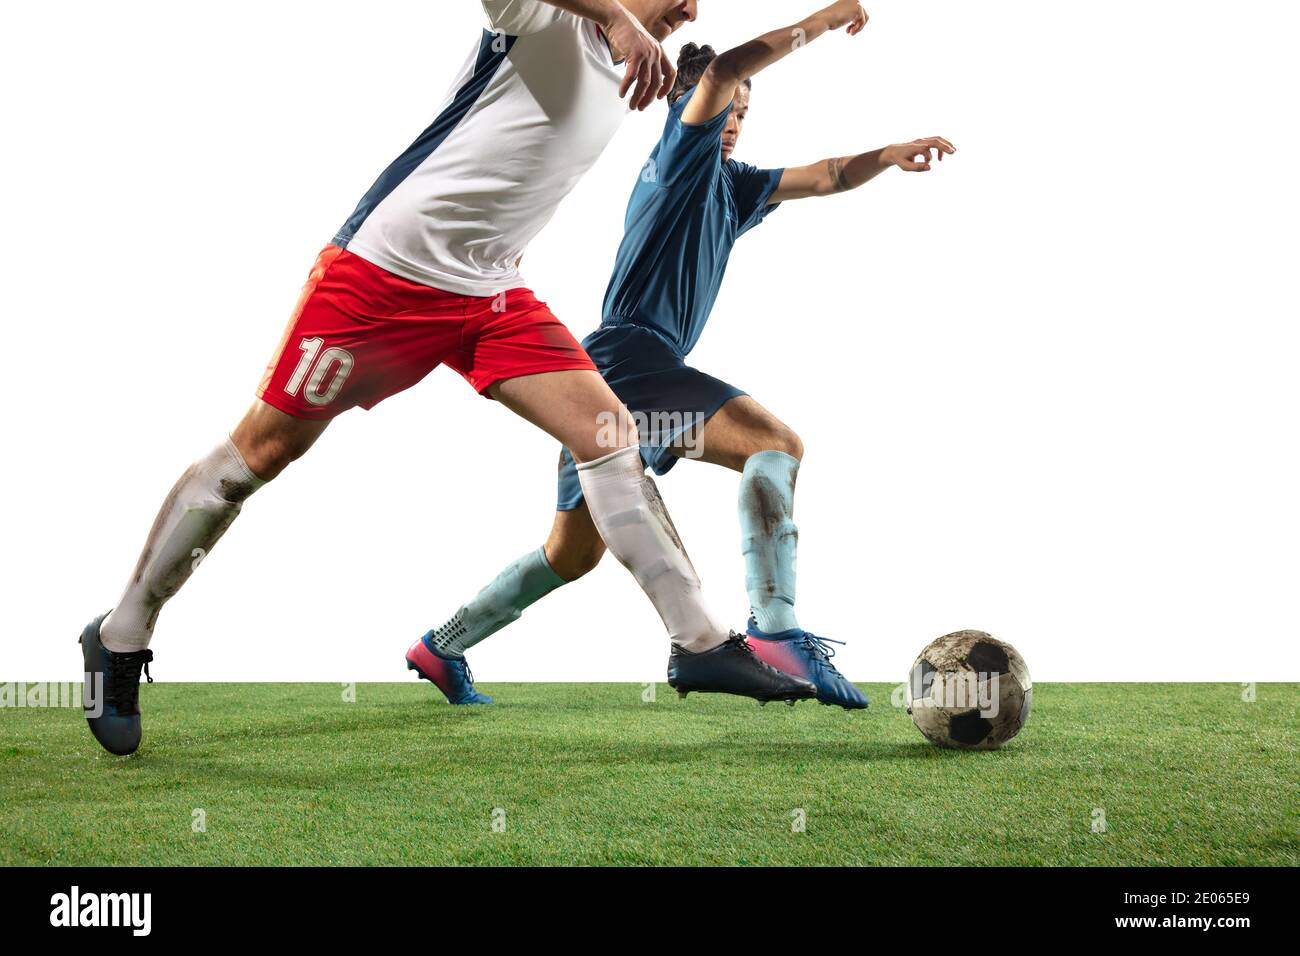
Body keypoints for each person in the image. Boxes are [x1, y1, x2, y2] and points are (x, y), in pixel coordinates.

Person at [82, 0, 819, 757]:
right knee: (260, 454)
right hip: (382, 279)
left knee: (608, 432)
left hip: (490, 295)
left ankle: (697, 641)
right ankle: (120, 632)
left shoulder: (632, 69)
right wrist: (618, 17)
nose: (691, 8)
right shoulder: (537, 22)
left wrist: (645, 33)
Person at [413, 0, 956, 709]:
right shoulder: (681, 154)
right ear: (687, 104)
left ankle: (441, 644)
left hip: (605, 377)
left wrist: (885, 156)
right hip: (630, 358)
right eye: (727, 107)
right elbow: (726, 68)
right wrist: (824, 21)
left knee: (570, 555)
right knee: (774, 443)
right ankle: (778, 629)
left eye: (743, 115)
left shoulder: (732, 188)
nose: (733, 121)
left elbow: (824, 176)